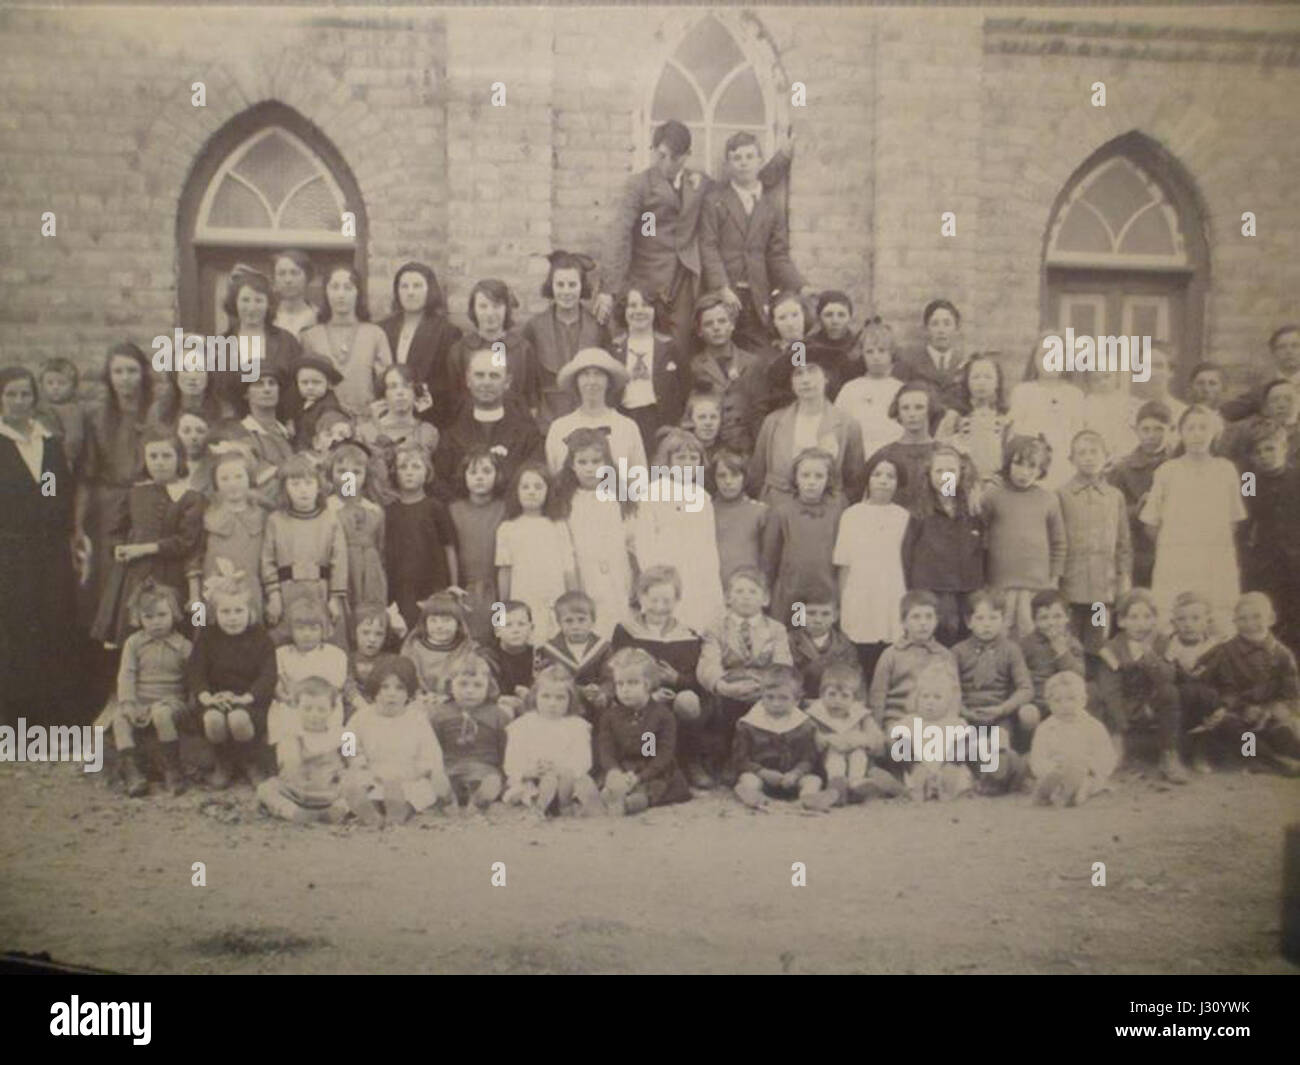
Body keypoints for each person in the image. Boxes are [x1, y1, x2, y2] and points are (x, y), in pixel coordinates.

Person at [597, 119, 713, 357]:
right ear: (653, 151)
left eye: (675, 158)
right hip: (646, 281)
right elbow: (619, 234)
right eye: (661, 156)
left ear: (687, 155)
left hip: (683, 281)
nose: (667, 164)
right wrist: (609, 288)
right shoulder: (639, 185)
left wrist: (782, 158)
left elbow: (739, 184)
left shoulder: (698, 182)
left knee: (680, 348)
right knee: (644, 347)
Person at [90, 427, 204, 648]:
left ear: (179, 459)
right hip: (134, 576)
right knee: (133, 637)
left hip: (171, 576)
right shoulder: (135, 493)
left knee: (171, 635)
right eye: (153, 456)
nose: (159, 462)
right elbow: (116, 530)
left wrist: (145, 548)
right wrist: (117, 547)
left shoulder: (191, 497)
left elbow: (187, 542)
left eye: (166, 456)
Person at [699, 132, 810, 354]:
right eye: (737, 158)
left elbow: (777, 254)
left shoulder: (771, 206)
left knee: (758, 354)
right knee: (721, 352)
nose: (743, 163)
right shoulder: (715, 201)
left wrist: (799, 286)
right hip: (724, 294)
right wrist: (722, 287)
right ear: (728, 164)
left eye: (750, 157)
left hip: (758, 295)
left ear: (760, 161)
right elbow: (708, 246)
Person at [1141, 406, 1246, 634]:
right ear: (1180, 432)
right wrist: (1176, 546)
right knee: (1171, 618)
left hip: (1215, 559)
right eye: (1190, 428)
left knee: (1217, 619)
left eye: (1203, 427)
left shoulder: (1226, 470)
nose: (1197, 434)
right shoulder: (1167, 471)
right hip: (1176, 559)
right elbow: (1151, 523)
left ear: (1215, 432)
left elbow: (1234, 521)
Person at [696, 567, 794, 778]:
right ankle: (727, 760)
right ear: (727, 598)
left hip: (764, 688)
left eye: (752, 592)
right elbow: (708, 663)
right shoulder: (716, 628)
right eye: (739, 592)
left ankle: (762, 763)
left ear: (765, 599)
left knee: (777, 705)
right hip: (729, 689)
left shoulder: (776, 629)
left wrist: (766, 688)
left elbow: (782, 663)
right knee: (722, 709)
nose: (746, 597)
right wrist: (723, 686)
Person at [187, 571, 277, 789]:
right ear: (215, 614)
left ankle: (249, 761)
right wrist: (206, 697)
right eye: (225, 612)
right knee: (214, 720)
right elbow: (195, 671)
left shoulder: (260, 638)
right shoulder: (208, 637)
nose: (232, 617)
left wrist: (248, 697)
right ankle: (223, 762)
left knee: (237, 719)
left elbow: (268, 674)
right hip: (215, 700)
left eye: (238, 611)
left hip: (249, 702)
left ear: (250, 612)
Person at [632, 427, 724, 634]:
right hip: (666, 572)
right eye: (681, 458)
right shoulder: (653, 493)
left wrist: (712, 578)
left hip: (699, 574)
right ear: (668, 460)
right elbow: (644, 541)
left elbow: (709, 543)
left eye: (693, 458)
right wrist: (654, 578)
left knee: (700, 625)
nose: (687, 464)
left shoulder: (702, 496)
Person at [104, 580, 191, 797]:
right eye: (148, 617)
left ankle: (172, 769)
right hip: (141, 701)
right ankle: (132, 771)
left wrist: (192, 703)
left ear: (174, 613)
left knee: (162, 715)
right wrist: (128, 702)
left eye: (162, 615)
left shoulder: (183, 645)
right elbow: (127, 674)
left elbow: (194, 679)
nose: (156, 622)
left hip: (171, 702)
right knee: (119, 718)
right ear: (139, 619)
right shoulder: (134, 643)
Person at [1092, 589, 1188, 783]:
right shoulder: (1112, 648)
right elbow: (1111, 690)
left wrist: (1150, 656)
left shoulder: (1163, 643)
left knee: (1170, 692)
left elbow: (1167, 677)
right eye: (1133, 617)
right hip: (1124, 705)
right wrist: (1121, 725)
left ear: (1155, 620)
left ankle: (1168, 753)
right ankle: (1116, 742)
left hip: (1151, 702)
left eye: (1147, 617)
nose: (1141, 624)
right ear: (1121, 621)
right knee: (1096, 693)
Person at [344, 654, 451, 825]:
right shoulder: (361, 717)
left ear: (409, 692)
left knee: (421, 791)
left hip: (409, 778)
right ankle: (371, 813)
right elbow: (348, 743)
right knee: (362, 787)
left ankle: (398, 811)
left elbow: (431, 754)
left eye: (399, 688)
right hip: (374, 776)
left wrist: (424, 771)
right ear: (374, 688)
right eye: (385, 687)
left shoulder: (417, 719)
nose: (391, 694)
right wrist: (358, 762)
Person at [747, 350, 865, 505]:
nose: (806, 380)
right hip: (778, 508)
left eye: (812, 371)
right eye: (798, 374)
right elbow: (757, 474)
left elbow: (855, 481)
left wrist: (837, 506)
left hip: (826, 511)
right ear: (791, 383)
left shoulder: (847, 425)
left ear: (826, 377)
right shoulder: (773, 422)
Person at [981, 435, 1067, 639]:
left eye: (1032, 466)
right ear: (1008, 462)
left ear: (1041, 470)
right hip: (1000, 584)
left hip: (1037, 585)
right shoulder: (993, 495)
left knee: (1031, 634)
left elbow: (1059, 543)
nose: (1024, 472)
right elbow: (978, 535)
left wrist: (1054, 579)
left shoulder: (1048, 500)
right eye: (1018, 464)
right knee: (1001, 633)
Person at [833, 454, 910, 681]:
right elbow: (844, 563)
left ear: (898, 482)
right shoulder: (852, 515)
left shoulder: (904, 517)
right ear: (867, 479)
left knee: (889, 652)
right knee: (861, 654)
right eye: (877, 475)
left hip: (892, 592)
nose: (883, 480)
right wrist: (842, 602)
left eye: (890, 476)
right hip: (860, 593)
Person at [261, 454, 349, 647]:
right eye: (295, 484)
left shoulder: (330, 519)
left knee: (322, 636)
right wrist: (274, 595)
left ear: (319, 487)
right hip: (287, 592)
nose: (303, 490)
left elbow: (339, 560)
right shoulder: (276, 520)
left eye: (309, 483)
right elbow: (267, 560)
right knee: (286, 638)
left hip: (320, 591)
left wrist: (335, 598)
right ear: (285, 489)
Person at [555, 428, 637, 635]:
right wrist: (574, 589)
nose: (590, 469)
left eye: (596, 461)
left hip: (619, 577)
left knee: (620, 625)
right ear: (572, 465)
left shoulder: (618, 497)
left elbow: (633, 542)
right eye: (582, 462)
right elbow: (565, 549)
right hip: (585, 577)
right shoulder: (566, 501)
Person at [1058, 430, 1132, 653]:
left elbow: (1123, 544)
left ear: (1106, 456)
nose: (1089, 458)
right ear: (1072, 459)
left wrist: (1123, 579)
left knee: (1097, 643)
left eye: (1094, 452)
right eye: (1082, 453)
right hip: (1070, 589)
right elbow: (1056, 541)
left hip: (1102, 592)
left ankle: (1095, 685)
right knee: (1069, 643)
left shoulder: (1114, 497)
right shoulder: (1062, 495)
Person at [901, 446, 984, 646]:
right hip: (933, 584)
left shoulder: (971, 507)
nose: (945, 477)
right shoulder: (920, 509)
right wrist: (913, 587)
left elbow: (982, 545)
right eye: (939, 471)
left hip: (966, 584)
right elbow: (907, 550)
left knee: (966, 632)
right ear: (928, 474)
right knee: (944, 628)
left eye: (951, 471)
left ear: (960, 473)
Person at [433, 347, 545, 493]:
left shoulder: (528, 435)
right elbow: (441, 484)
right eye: (479, 375)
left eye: (494, 376)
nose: (486, 382)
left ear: (507, 382)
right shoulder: (451, 434)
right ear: (468, 380)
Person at [596, 647, 692, 814]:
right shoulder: (610, 716)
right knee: (609, 780)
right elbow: (606, 749)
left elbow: (661, 754)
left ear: (647, 685)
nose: (625, 689)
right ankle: (614, 793)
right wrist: (614, 770)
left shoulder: (660, 716)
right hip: (622, 766)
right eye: (620, 684)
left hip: (652, 768)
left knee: (660, 785)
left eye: (632, 683)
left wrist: (640, 777)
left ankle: (637, 801)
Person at [953, 590, 1036, 780]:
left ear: (1002, 619)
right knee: (965, 749)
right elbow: (950, 688)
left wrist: (1002, 708)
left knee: (1000, 744)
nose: (987, 624)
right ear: (969, 622)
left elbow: (1026, 689)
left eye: (993, 618)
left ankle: (1002, 772)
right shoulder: (958, 652)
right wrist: (964, 711)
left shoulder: (1011, 649)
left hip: (1000, 716)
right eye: (980, 618)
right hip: (968, 715)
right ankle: (987, 772)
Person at [524, 251, 611, 425]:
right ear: (551, 286)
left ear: (582, 286)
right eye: (560, 284)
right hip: (547, 416)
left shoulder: (597, 328)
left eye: (572, 285)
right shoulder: (534, 327)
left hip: (589, 414)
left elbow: (608, 376)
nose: (566, 291)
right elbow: (528, 377)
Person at [502, 666, 601, 817]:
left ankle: (564, 804)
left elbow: (583, 761)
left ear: (571, 699)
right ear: (535, 696)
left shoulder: (577, 725)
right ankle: (540, 805)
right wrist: (530, 771)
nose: (552, 703)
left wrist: (561, 770)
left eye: (560, 698)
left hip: (566, 780)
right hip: (533, 779)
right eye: (546, 696)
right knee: (545, 781)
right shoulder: (523, 724)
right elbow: (512, 761)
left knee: (582, 782)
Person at [761, 447, 844, 627]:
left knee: (820, 638)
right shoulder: (782, 512)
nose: (811, 482)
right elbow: (769, 558)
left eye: (818, 476)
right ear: (795, 478)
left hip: (826, 592)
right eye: (805, 475)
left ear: (828, 479)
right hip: (792, 592)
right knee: (795, 636)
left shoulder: (837, 511)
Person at [495, 461, 576, 644]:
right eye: (525, 487)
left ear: (548, 491)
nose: (531, 491)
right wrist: (503, 608)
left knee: (555, 645)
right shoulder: (508, 528)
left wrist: (572, 602)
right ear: (516, 491)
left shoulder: (558, 526)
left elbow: (569, 568)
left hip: (553, 599)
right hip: (523, 600)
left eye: (538, 487)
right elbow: (504, 570)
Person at [300, 265, 393, 418]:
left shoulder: (375, 334)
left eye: (348, 288)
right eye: (334, 287)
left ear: (358, 293)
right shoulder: (310, 336)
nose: (341, 294)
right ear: (326, 292)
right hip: (324, 421)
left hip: (367, 421)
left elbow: (387, 384)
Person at [802, 661, 900, 808]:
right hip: (826, 766)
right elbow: (809, 740)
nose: (837, 701)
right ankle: (837, 788)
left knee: (863, 759)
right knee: (835, 755)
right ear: (822, 694)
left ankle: (859, 784)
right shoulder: (816, 714)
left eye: (844, 696)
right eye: (832, 694)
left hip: (860, 762)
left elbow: (877, 740)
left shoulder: (860, 715)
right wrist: (827, 739)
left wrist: (860, 740)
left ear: (854, 699)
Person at [866, 589, 960, 741]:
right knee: (902, 748)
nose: (923, 623)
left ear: (936, 621)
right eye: (916, 617)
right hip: (898, 722)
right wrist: (877, 732)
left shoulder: (945, 656)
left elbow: (954, 696)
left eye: (929, 617)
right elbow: (878, 696)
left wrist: (950, 723)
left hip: (935, 721)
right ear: (903, 622)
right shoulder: (891, 655)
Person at [377, 261, 462, 428]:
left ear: (429, 290)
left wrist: (419, 396)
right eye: (404, 286)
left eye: (417, 286)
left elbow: (450, 381)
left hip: (428, 415)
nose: (410, 292)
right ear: (397, 291)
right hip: (387, 415)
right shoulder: (382, 329)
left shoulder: (447, 332)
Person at [257, 675, 352, 824]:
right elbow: (287, 764)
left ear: (332, 709)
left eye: (321, 710)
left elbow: (352, 762)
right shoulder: (290, 734)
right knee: (265, 788)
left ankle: (336, 811)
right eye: (307, 709)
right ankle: (292, 812)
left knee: (358, 784)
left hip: (329, 792)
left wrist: (347, 774)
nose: (314, 715)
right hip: (295, 792)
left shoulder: (344, 734)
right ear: (296, 706)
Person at [729, 665, 826, 810]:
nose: (775, 703)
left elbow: (809, 757)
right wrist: (762, 772)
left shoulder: (805, 725)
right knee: (748, 780)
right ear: (761, 696)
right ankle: (755, 798)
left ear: (796, 700)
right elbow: (740, 759)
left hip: (793, 778)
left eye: (783, 698)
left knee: (813, 780)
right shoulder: (748, 724)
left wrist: (796, 773)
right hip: (761, 776)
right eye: (770, 697)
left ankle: (807, 798)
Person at [384, 441, 456, 634]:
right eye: (403, 467)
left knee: (431, 633)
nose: (409, 472)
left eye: (416, 467)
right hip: (399, 587)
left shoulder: (436, 508)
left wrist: (453, 586)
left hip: (432, 586)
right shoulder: (389, 512)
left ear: (427, 472)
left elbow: (449, 548)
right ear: (394, 473)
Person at [429, 651, 512, 812]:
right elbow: (432, 748)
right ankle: (449, 799)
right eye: (463, 684)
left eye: (477, 685)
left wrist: (504, 775)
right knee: (438, 780)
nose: (469, 691)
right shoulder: (439, 714)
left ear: (489, 687)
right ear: (450, 685)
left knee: (492, 782)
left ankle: (479, 799)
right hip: (450, 768)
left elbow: (505, 750)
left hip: (484, 770)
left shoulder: (498, 715)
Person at [608, 286, 688, 452]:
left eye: (646, 305)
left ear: (655, 310)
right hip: (625, 418)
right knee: (628, 470)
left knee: (659, 470)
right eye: (633, 305)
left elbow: (685, 385)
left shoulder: (669, 346)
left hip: (659, 420)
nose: (639, 311)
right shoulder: (615, 348)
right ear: (624, 310)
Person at [543, 347, 646, 475]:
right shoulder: (559, 428)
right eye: (585, 374)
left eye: (598, 374)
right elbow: (554, 477)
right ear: (576, 381)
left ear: (609, 381)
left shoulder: (627, 427)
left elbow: (639, 481)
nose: (592, 381)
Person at [217, 265, 303, 416]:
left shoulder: (286, 341)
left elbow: (296, 388)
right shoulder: (220, 344)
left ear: (268, 304)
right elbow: (216, 392)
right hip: (233, 428)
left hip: (278, 423)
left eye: (258, 300)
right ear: (234, 303)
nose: (252, 307)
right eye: (245, 300)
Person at [446, 279, 537, 419]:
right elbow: (455, 397)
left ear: (506, 309)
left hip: (514, 424)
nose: (490, 313)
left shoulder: (522, 349)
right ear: (473, 309)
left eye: (496, 306)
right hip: (471, 423)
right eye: (483, 306)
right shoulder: (460, 350)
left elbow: (531, 398)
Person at [688, 293, 768, 453]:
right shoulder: (694, 365)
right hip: (707, 448)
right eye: (709, 324)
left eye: (722, 321)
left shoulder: (752, 363)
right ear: (700, 331)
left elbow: (760, 411)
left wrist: (758, 452)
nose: (716, 327)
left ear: (732, 325)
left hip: (743, 448)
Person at [1008, 329, 1086, 492]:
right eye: (1044, 355)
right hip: (1031, 469)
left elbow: (1078, 435)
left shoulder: (1075, 395)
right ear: (1034, 360)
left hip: (1066, 470)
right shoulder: (1023, 392)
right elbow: (1016, 434)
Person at [1108, 399, 1172, 589]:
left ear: (1171, 429)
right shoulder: (1122, 469)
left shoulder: (1178, 465)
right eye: (1145, 429)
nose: (1151, 436)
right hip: (1137, 550)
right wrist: (1137, 510)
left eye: (1159, 429)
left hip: (1172, 546)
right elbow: (1110, 513)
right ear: (1136, 430)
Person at [1029, 671, 1117, 806]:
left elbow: (1107, 756)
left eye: (1071, 699)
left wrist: (1092, 766)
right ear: (1049, 704)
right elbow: (1037, 757)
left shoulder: (1093, 726)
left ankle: (1075, 794)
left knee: (1088, 782)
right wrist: (1051, 769)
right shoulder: (1045, 728)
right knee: (1050, 777)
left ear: (1083, 700)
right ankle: (1049, 792)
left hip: (1086, 771)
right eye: (1057, 701)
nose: (1065, 706)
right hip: (1057, 770)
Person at [835, 318, 903, 461]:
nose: (876, 357)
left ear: (892, 353)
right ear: (862, 355)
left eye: (882, 351)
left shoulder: (901, 389)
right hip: (859, 458)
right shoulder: (851, 389)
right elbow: (838, 428)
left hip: (894, 459)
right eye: (870, 352)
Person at [896, 299, 967, 412]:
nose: (941, 330)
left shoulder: (965, 365)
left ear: (956, 328)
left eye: (947, 324)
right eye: (935, 324)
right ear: (926, 329)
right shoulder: (909, 363)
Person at [1221, 324, 1300, 422]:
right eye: (1282, 347)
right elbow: (1228, 412)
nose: (1289, 351)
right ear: (1273, 353)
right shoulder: (1261, 390)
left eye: (1295, 346)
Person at [271, 249, 319, 337]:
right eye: (281, 273)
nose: (288, 280)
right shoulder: (266, 317)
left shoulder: (319, 318)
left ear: (307, 277)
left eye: (294, 273)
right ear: (274, 280)